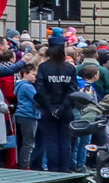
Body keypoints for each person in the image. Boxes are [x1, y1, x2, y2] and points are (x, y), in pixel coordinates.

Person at [34, 42, 79, 171]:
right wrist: (62, 107)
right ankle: (63, 170)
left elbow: (40, 89)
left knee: (51, 142)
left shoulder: (44, 67)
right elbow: (72, 90)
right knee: (65, 142)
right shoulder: (70, 68)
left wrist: (51, 107)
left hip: (48, 110)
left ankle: (53, 170)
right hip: (66, 110)